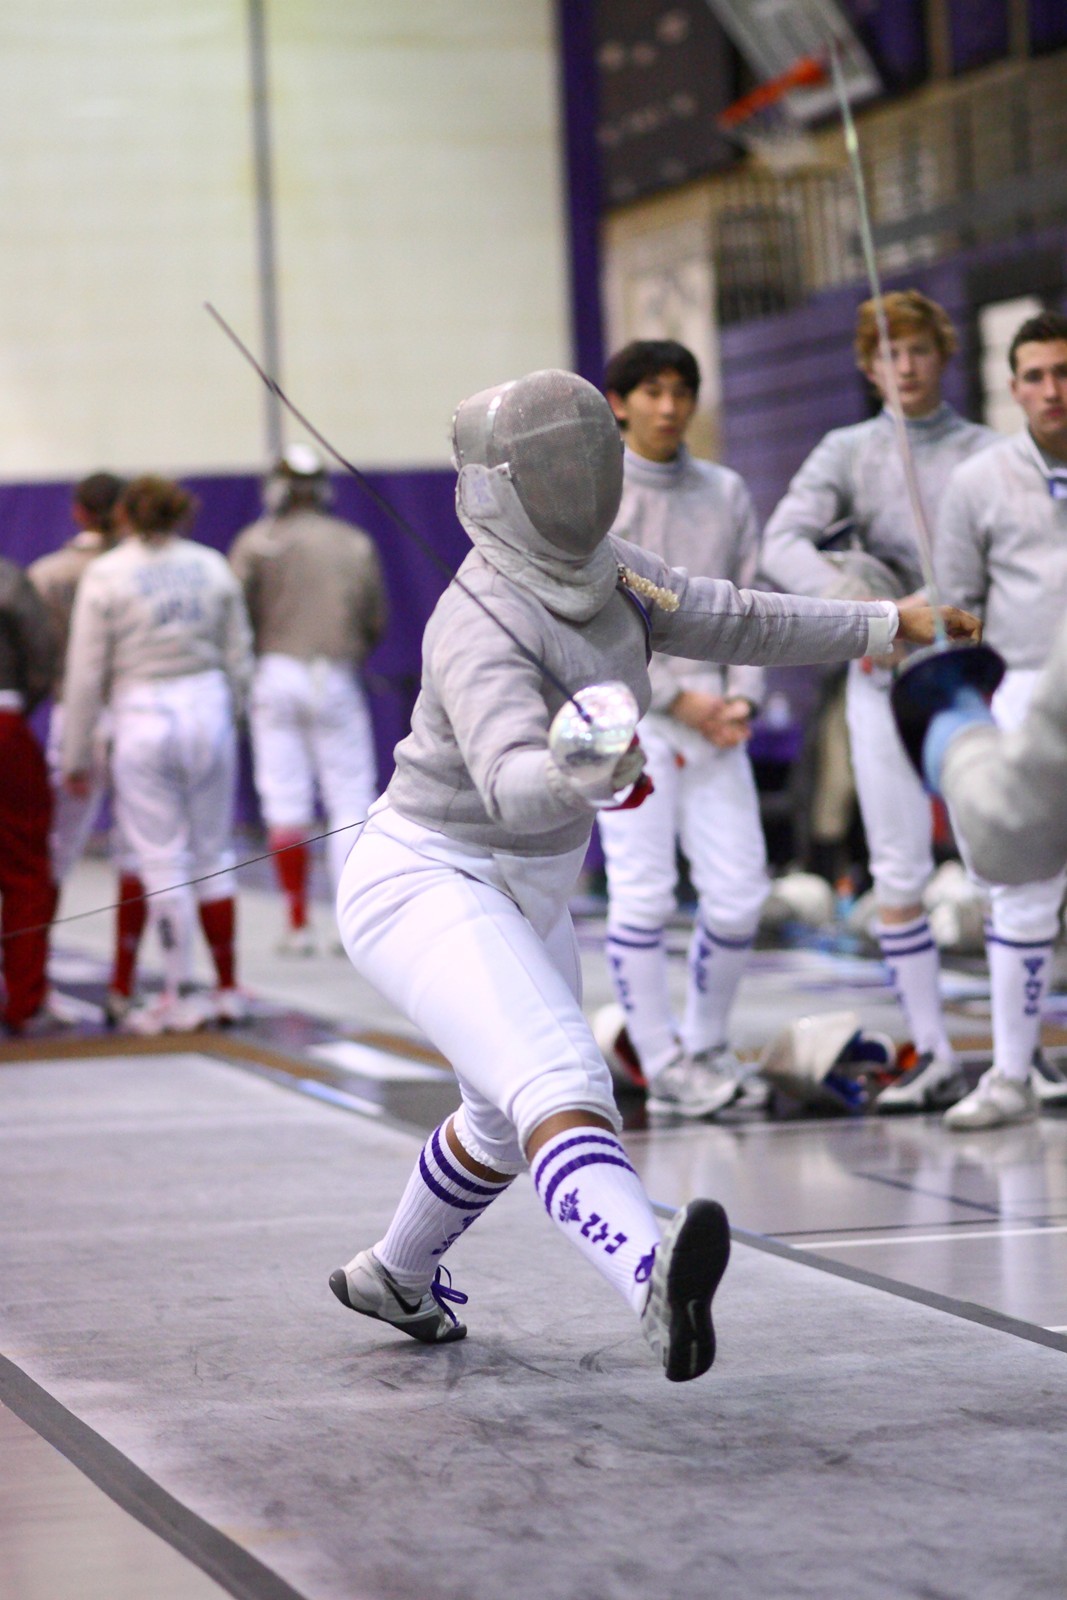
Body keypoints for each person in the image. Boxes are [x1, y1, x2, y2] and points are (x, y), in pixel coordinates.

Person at [327, 368, 978, 1380]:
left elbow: (736, 619)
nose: (576, 479)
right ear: (509, 486)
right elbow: (507, 782)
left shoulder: (612, 572)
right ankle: (647, 1275)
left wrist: (888, 624)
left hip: (526, 882)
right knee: (562, 1079)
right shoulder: (472, 622)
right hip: (427, 874)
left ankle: (391, 1274)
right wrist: (579, 768)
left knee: (504, 1116)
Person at [761, 290, 997, 1114]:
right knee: (897, 862)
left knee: (996, 859)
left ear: (943, 354)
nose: (905, 368)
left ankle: (1011, 1060)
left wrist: (954, 608)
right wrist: (865, 611)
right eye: (888, 355)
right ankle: (931, 1050)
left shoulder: (985, 452)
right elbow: (781, 540)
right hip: (878, 675)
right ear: (868, 366)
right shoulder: (847, 451)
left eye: (919, 351)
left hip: (969, 675)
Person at [594, 339, 768, 1117]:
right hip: (627, 722)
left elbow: (754, 600)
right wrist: (675, 697)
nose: (668, 407)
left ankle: (702, 1043)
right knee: (641, 897)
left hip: (714, 724)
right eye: (652, 392)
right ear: (619, 403)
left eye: (681, 392)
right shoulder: (597, 494)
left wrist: (743, 699)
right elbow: (598, 622)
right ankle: (660, 1062)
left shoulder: (724, 491)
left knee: (737, 896)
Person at [924, 309, 1067, 1131]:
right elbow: (955, 611)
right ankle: (1009, 1074)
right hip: (1021, 696)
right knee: (1021, 892)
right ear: (1013, 387)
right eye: (1036, 376)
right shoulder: (979, 481)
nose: (1053, 390)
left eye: (1064, 372)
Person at [62, 477, 254, 1033]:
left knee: (161, 859)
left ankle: (177, 992)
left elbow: (85, 672)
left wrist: (76, 753)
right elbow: (240, 658)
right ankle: (226, 992)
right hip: (207, 707)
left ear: (124, 515)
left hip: (142, 714)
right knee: (213, 853)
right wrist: (229, 715)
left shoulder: (107, 572)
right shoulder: (212, 565)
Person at [229, 445, 387, 954]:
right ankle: (349, 926)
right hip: (334, 675)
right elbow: (374, 617)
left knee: (286, 800)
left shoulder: (256, 543)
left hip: (275, 673)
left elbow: (236, 618)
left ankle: (297, 925)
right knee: (348, 799)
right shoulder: (354, 542)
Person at [28, 472, 148, 1024]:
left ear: (78, 513)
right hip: (131, 718)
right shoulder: (142, 570)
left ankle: (35, 979)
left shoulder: (47, 574)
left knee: (51, 855)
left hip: (71, 719)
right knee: (140, 851)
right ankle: (124, 987)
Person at [0, 557, 59, 1035]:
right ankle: (24, 1002)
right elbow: (41, 661)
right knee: (23, 871)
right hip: (4, 727)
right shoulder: (8, 579)